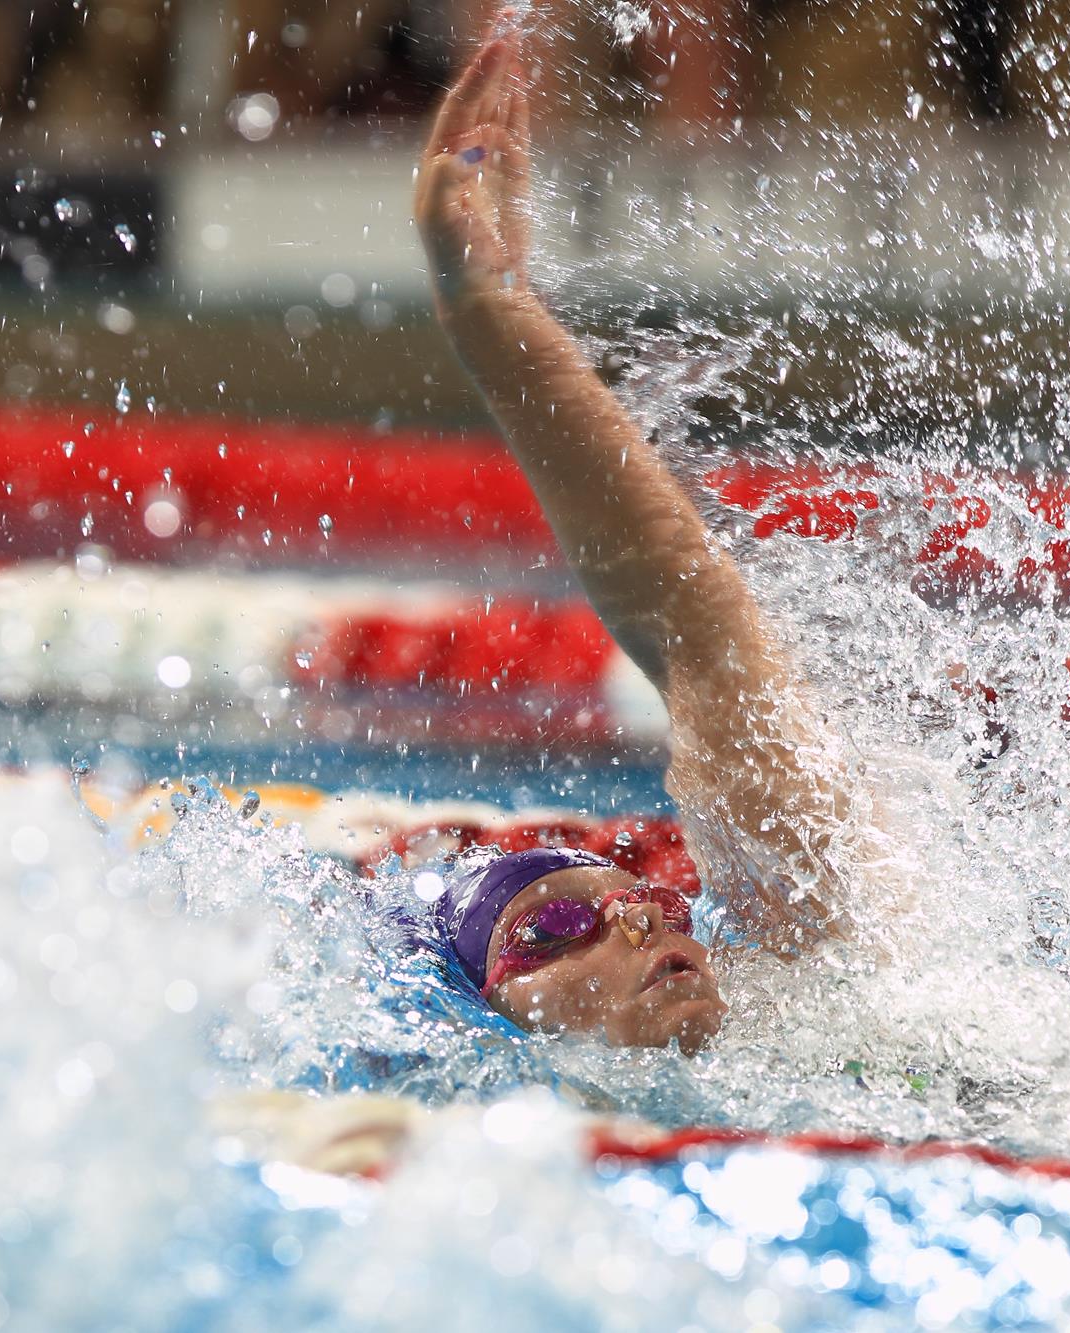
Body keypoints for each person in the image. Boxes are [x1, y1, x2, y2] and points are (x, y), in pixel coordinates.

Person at [414, 16, 894, 1055]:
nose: (638, 914)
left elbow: (694, 624)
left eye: (654, 907)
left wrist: (495, 323)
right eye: (552, 929)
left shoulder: (828, 1000)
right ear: (492, 1019)